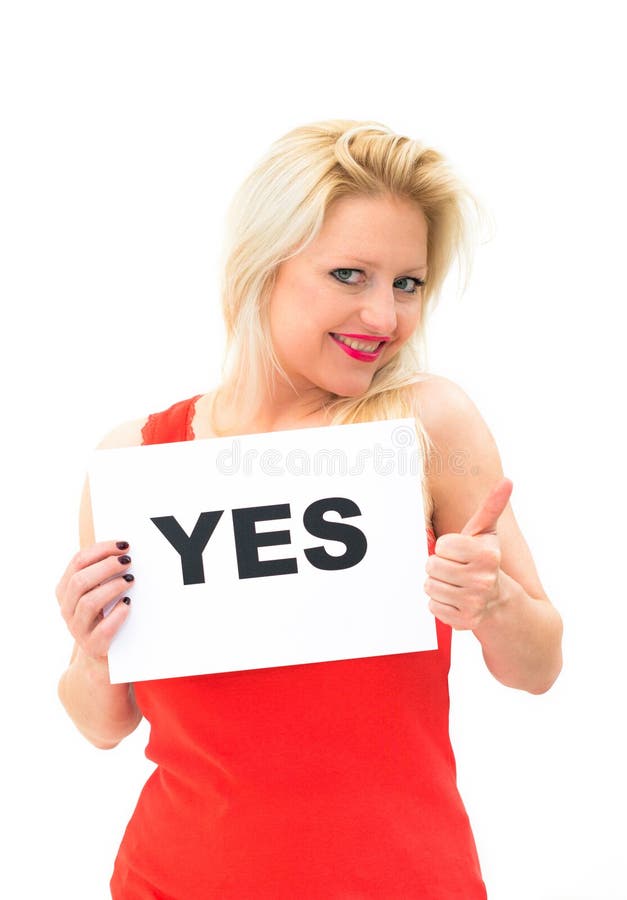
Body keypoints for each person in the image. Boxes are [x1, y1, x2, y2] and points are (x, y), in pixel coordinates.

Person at [56, 119, 563, 899]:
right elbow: (103, 725)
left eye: (408, 283)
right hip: (174, 878)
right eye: (350, 275)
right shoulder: (137, 459)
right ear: (263, 266)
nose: (386, 319)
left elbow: (537, 667)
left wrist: (492, 601)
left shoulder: (427, 427)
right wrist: (94, 651)